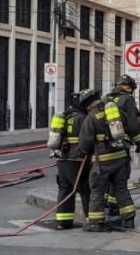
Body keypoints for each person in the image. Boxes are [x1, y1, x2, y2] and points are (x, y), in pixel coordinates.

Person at [78, 91, 140, 231]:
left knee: (97, 190)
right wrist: (138, 142)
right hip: (121, 158)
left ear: (88, 105)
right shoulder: (116, 111)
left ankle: (96, 222)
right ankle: (129, 219)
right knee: (121, 188)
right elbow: (131, 126)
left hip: (102, 162)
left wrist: (85, 152)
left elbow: (85, 143)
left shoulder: (91, 118)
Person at [50, 89, 96, 230]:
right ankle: (92, 220)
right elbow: (87, 140)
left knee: (65, 189)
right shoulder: (83, 118)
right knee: (85, 189)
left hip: (62, 160)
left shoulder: (64, 116)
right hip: (78, 160)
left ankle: (63, 221)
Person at [104, 75, 140, 216]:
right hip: (122, 144)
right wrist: (138, 142)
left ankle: (107, 203)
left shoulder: (106, 99)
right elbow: (133, 125)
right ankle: (115, 206)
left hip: (105, 145)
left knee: (108, 175)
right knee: (120, 176)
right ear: (129, 88)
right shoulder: (127, 100)